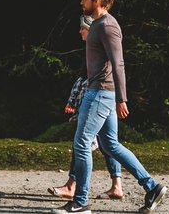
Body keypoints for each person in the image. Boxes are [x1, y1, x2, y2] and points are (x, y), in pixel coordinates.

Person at [52, 0, 167, 214]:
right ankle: (152, 187)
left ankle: (80, 202)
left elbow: (119, 63)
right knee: (110, 144)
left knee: (82, 144)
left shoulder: (107, 25)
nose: (81, 2)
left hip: (101, 93)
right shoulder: (96, 25)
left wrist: (121, 98)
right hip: (100, 91)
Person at [48, 15, 124, 201]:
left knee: (82, 142)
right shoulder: (96, 48)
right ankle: (118, 185)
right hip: (105, 97)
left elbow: (89, 79)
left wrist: (79, 105)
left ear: (90, 29)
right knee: (109, 144)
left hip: (99, 98)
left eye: (82, 28)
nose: (80, 31)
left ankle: (73, 188)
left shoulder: (98, 46)